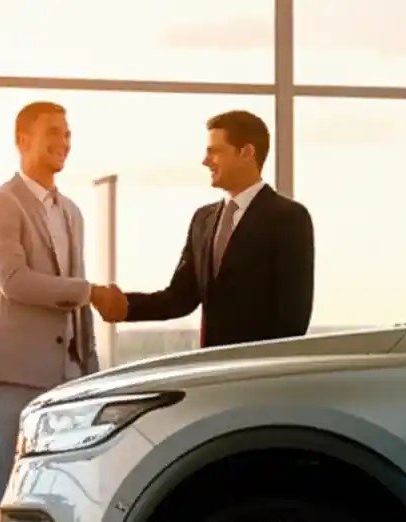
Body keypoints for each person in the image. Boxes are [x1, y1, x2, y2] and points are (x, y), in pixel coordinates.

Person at [0, 101, 119, 522]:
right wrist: (90, 292)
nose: (64, 141)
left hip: (69, 378)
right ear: (22, 139)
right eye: (53, 133)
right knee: (3, 507)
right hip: (16, 372)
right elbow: (14, 282)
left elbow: (74, 301)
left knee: (59, 503)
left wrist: (91, 367)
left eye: (68, 132)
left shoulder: (72, 212)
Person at [93, 110, 314, 348]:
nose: (205, 161)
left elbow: (292, 318)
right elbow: (180, 298)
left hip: (257, 375)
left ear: (246, 152)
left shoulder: (289, 218)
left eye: (215, 151)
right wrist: (124, 306)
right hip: (210, 371)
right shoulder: (202, 219)